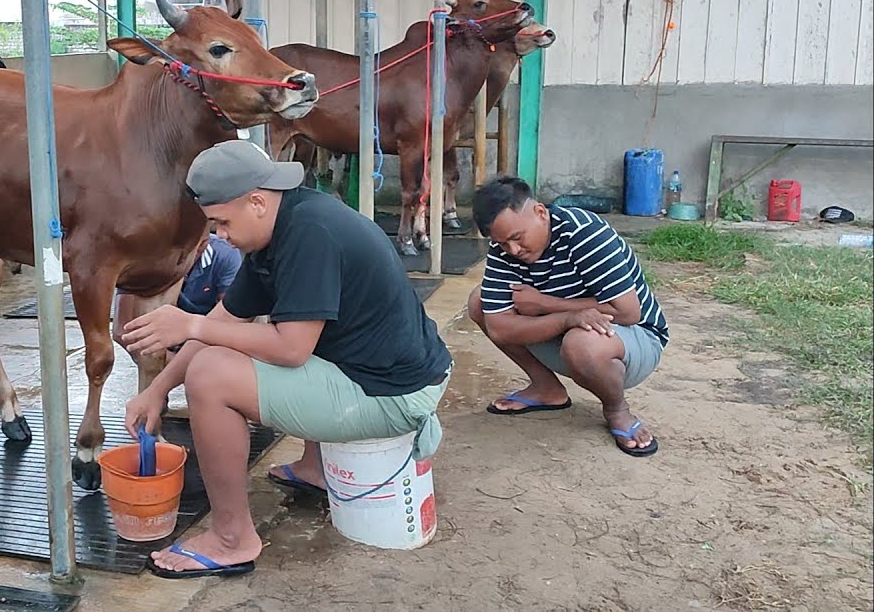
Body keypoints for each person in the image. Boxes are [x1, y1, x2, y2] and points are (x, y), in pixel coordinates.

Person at [120, 139, 453, 579]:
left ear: (256, 202)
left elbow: (291, 350)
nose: (219, 236)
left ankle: (232, 539)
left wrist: (191, 326)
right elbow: (226, 318)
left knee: (210, 375)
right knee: (245, 340)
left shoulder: (309, 235)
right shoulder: (284, 224)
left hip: (395, 394)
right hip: (381, 370)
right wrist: (157, 391)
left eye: (221, 223)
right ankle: (315, 468)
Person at [468, 176, 669, 457]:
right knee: (480, 302)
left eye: (517, 238)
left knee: (581, 342)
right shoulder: (504, 250)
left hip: (634, 338)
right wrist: (566, 319)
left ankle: (617, 410)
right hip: (566, 332)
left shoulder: (585, 233)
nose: (512, 250)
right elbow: (500, 327)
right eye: (502, 243)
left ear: (540, 212)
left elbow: (627, 311)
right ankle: (546, 389)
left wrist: (545, 304)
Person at [112, 231, 242, 358]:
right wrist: (167, 361)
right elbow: (121, 331)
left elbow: (230, 321)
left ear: (202, 245)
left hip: (205, 341)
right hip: (159, 345)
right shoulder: (146, 256)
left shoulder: (225, 255)